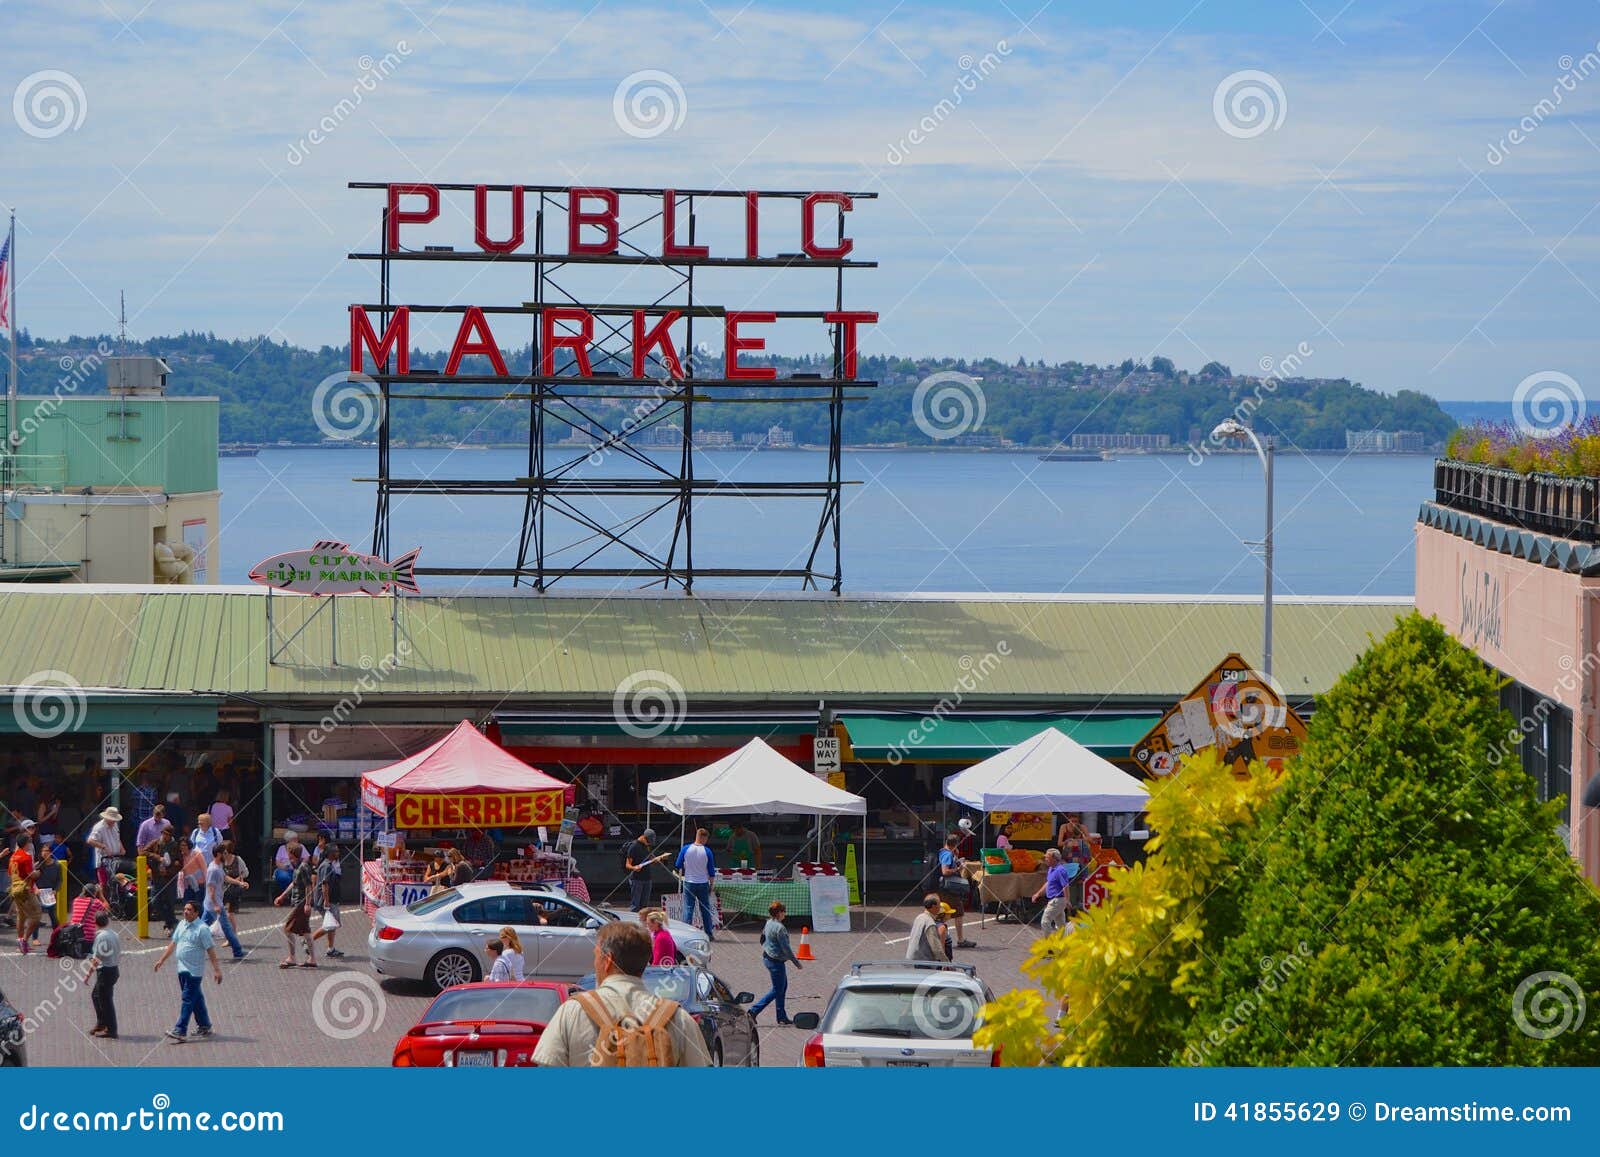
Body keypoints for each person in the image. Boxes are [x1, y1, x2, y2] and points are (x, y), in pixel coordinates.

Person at [531, 922, 710, 1067]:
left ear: (607, 960)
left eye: (596, 955)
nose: (594, 962)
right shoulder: (678, 1019)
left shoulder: (572, 1011)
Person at [153, 900, 222, 1043]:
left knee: (187, 998)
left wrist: (217, 970)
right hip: (181, 969)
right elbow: (174, 943)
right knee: (196, 998)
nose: (185, 912)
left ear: (197, 913)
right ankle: (204, 1025)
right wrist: (161, 960)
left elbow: (210, 950)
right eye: (184, 909)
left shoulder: (202, 929)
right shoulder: (182, 924)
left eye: (189, 910)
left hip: (194, 971)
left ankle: (180, 1029)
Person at [749, 900, 802, 1024]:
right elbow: (786, 949)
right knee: (777, 989)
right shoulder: (780, 928)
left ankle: (781, 1016)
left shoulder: (769, 923)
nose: (785, 914)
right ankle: (753, 1011)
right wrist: (796, 963)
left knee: (782, 987)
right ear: (779, 913)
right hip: (776, 962)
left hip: (767, 957)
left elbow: (762, 939)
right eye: (784, 912)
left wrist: (767, 948)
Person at [201, 840, 247, 959]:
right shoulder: (213, 869)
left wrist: (238, 882)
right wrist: (216, 905)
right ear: (218, 854)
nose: (225, 855)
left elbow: (225, 877)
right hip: (214, 905)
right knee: (207, 928)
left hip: (212, 904)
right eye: (223, 853)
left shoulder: (218, 866)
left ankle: (237, 951)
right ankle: (237, 951)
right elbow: (211, 889)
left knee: (202, 928)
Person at [274, 845, 316, 968]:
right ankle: (312, 959)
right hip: (298, 901)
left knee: (288, 928)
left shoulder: (303, 867)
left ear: (294, 854)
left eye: (289, 853)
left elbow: (309, 886)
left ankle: (292, 957)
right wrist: (282, 896)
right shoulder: (296, 867)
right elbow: (294, 883)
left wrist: (308, 904)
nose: (288, 856)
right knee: (305, 931)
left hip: (301, 903)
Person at [674, 828, 717, 941]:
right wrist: (711, 885)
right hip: (703, 883)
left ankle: (685, 932)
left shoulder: (685, 849)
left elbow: (677, 865)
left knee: (688, 908)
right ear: (704, 837)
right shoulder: (707, 851)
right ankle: (709, 933)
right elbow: (711, 871)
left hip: (689, 882)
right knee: (705, 909)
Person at [85, 909, 121, 1039]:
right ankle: (102, 1023)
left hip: (105, 971)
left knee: (105, 1001)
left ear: (95, 923)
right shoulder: (114, 934)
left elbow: (96, 959)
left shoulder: (100, 937)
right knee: (96, 996)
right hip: (113, 969)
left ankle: (111, 1029)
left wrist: (88, 974)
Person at [937, 834, 975, 948]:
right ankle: (960, 940)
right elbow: (945, 871)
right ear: (955, 844)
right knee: (959, 912)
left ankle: (937, 937)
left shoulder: (944, 851)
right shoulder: (947, 854)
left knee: (942, 913)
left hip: (944, 888)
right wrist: (958, 868)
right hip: (948, 889)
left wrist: (956, 856)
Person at [8, 833, 42, 954]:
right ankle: (24, 940)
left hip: (15, 889)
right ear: (26, 843)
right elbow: (30, 874)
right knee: (37, 914)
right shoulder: (26, 856)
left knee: (21, 916)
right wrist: (37, 873)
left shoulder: (13, 857)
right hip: (26, 890)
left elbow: (11, 873)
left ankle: (20, 943)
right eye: (29, 842)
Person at [310, 847, 344, 958]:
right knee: (332, 924)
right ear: (330, 853)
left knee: (332, 924)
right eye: (336, 851)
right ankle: (309, 940)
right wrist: (326, 900)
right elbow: (325, 884)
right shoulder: (326, 866)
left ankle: (330, 949)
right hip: (327, 900)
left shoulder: (331, 864)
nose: (338, 853)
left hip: (331, 899)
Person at [1033, 848, 1075, 933]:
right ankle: (1065, 943)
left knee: (1045, 922)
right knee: (1061, 925)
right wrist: (1037, 894)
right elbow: (1048, 883)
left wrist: (1067, 900)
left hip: (1057, 900)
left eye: (1047, 857)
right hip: (1055, 900)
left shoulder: (1060, 870)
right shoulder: (1051, 869)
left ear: (1054, 859)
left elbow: (1065, 886)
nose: (1045, 859)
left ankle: (1049, 943)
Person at [86, 807, 124, 892]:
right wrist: (104, 847)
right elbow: (90, 840)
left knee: (118, 882)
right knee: (104, 884)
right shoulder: (99, 827)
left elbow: (117, 838)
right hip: (104, 860)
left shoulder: (115, 825)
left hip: (116, 858)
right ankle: (103, 903)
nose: (114, 821)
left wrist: (121, 847)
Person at [907, 893, 951, 962]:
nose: (940, 907)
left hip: (912, 959)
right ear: (934, 906)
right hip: (923, 963)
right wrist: (946, 962)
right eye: (939, 905)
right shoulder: (930, 923)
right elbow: (936, 948)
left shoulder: (919, 917)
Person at [623, 828, 658, 912]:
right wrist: (634, 867)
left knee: (645, 906)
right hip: (637, 879)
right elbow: (627, 865)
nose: (648, 844)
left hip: (647, 878)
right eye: (648, 841)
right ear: (643, 837)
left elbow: (650, 857)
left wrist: (655, 859)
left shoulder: (647, 846)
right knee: (635, 905)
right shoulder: (634, 846)